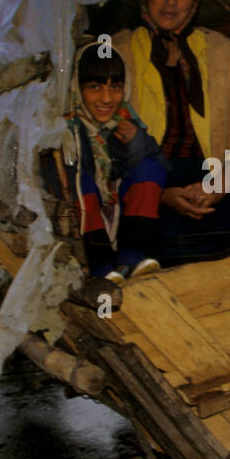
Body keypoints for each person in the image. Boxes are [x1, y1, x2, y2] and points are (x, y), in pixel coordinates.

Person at [111, 0, 230, 263]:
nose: (171, 1)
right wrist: (159, 194)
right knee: (167, 252)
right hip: (146, 179)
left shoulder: (224, 54)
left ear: (194, 0)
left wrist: (223, 183)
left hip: (213, 176)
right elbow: (102, 139)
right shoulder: (117, 52)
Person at [62, 42, 169, 284]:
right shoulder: (66, 126)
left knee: (150, 168)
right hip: (85, 217)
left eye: (115, 87)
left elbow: (163, 165)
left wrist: (136, 140)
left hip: (118, 210)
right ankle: (100, 269)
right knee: (81, 181)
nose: (107, 98)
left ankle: (132, 261)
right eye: (95, 87)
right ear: (78, 87)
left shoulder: (124, 118)